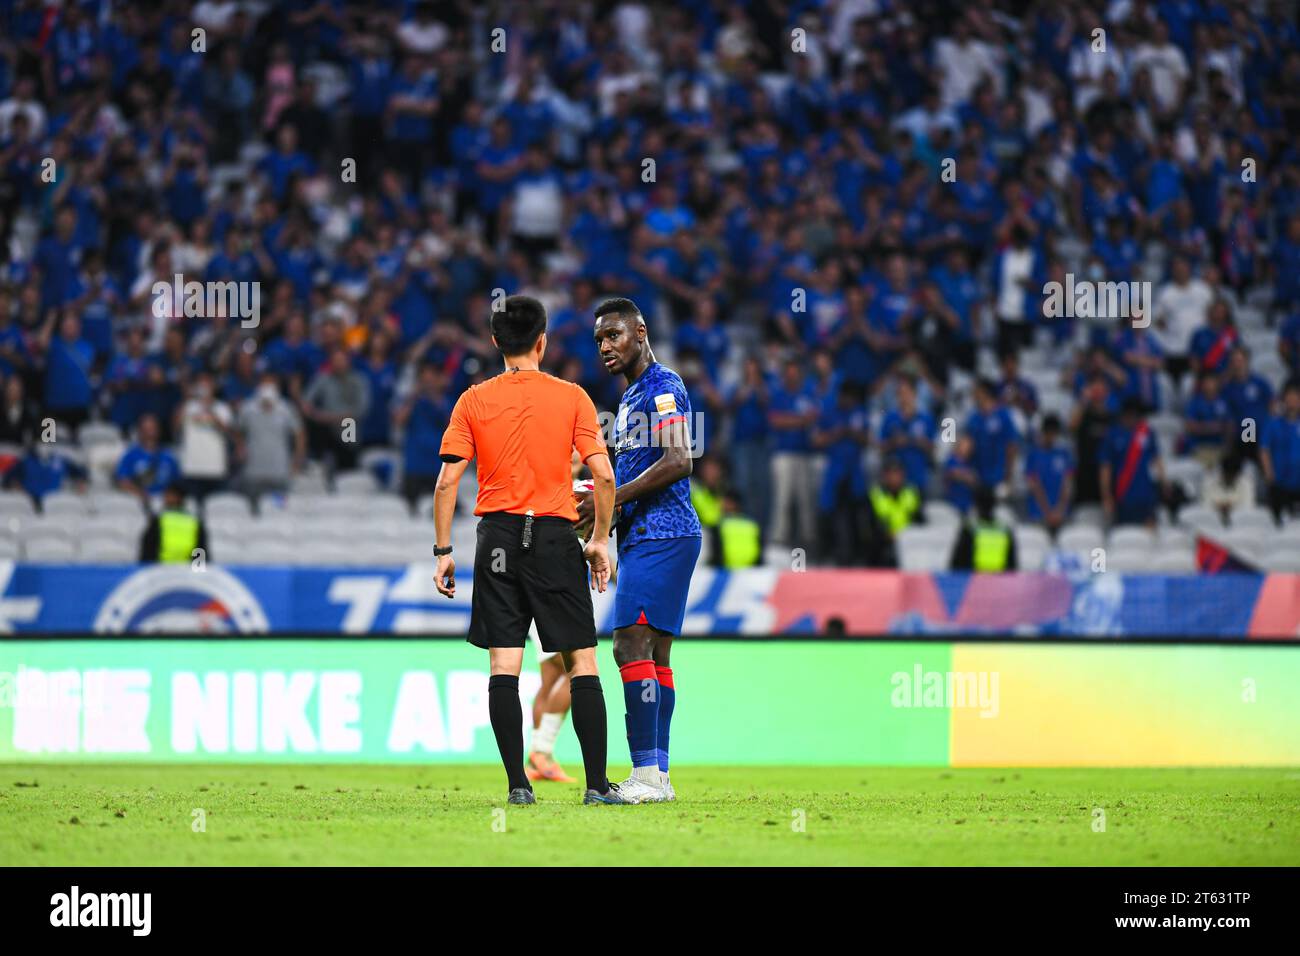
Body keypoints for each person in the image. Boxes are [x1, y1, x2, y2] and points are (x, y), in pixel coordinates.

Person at [433, 295, 627, 806]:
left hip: (497, 540)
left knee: (504, 667)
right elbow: (603, 475)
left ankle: (519, 786)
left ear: (496, 342)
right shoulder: (573, 398)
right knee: (582, 661)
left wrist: (443, 550)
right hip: (554, 538)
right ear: (543, 341)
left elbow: (447, 481)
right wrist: (600, 540)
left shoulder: (473, 400)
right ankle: (596, 787)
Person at [579, 296, 703, 804]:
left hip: (664, 530)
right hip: (647, 534)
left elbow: (680, 460)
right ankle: (658, 776)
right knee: (655, 652)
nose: (606, 347)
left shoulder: (663, 385)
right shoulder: (629, 398)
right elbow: (629, 470)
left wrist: (610, 498)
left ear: (641, 332)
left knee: (629, 644)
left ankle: (647, 774)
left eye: (615, 335)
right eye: (600, 341)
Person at [1100, 397, 1166, 528]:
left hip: (1146, 495)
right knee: (1125, 536)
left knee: (1148, 535)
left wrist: (1163, 482)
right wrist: (1106, 496)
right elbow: (1105, 467)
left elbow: (1157, 460)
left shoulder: (1146, 432)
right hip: (1123, 495)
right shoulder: (1112, 435)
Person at [950, 486, 1017, 572]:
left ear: (976, 505)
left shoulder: (970, 529)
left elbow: (956, 565)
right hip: (1000, 582)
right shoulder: (1005, 530)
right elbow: (1012, 566)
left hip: (975, 582)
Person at [139, 482, 209, 564]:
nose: (166, 498)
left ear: (179, 497)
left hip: (168, 569)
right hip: (168, 569)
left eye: (170, 495)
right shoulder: (193, 521)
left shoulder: (160, 520)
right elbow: (149, 547)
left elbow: (200, 547)